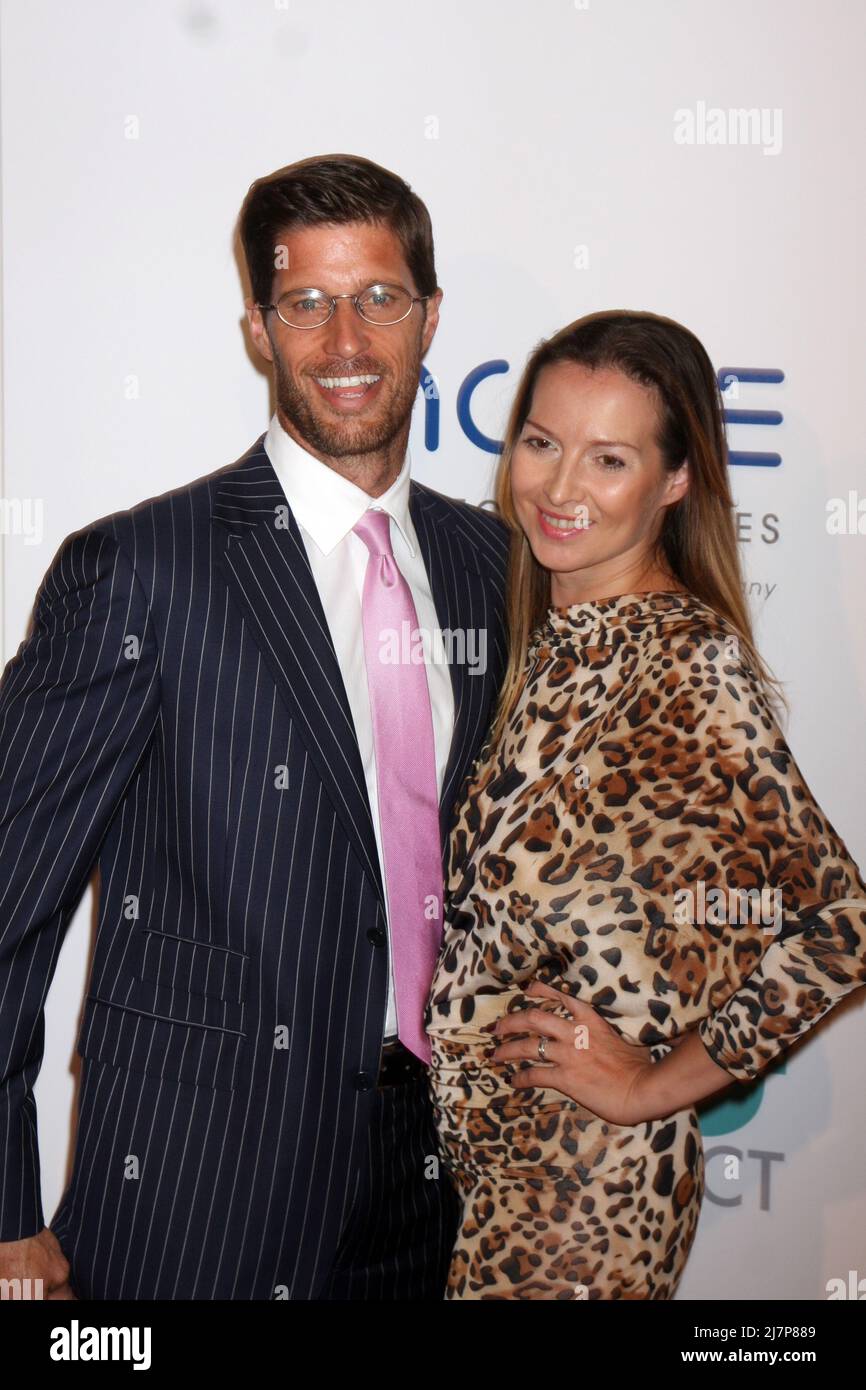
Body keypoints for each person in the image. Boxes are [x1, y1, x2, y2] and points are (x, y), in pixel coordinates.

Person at [0, 153, 509, 1300]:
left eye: (377, 297)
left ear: (429, 318)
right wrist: (3, 1215)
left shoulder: (493, 568)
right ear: (256, 329)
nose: (344, 341)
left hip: (442, 1179)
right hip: (200, 1184)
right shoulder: (141, 570)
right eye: (305, 303)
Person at [426, 309, 866, 1300]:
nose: (558, 487)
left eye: (608, 460)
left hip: (581, 1199)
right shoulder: (549, 639)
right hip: (493, 1182)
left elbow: (838, 924)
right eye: (540, 442)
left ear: (674, 482)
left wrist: (648, 1083)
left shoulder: (683, 659)